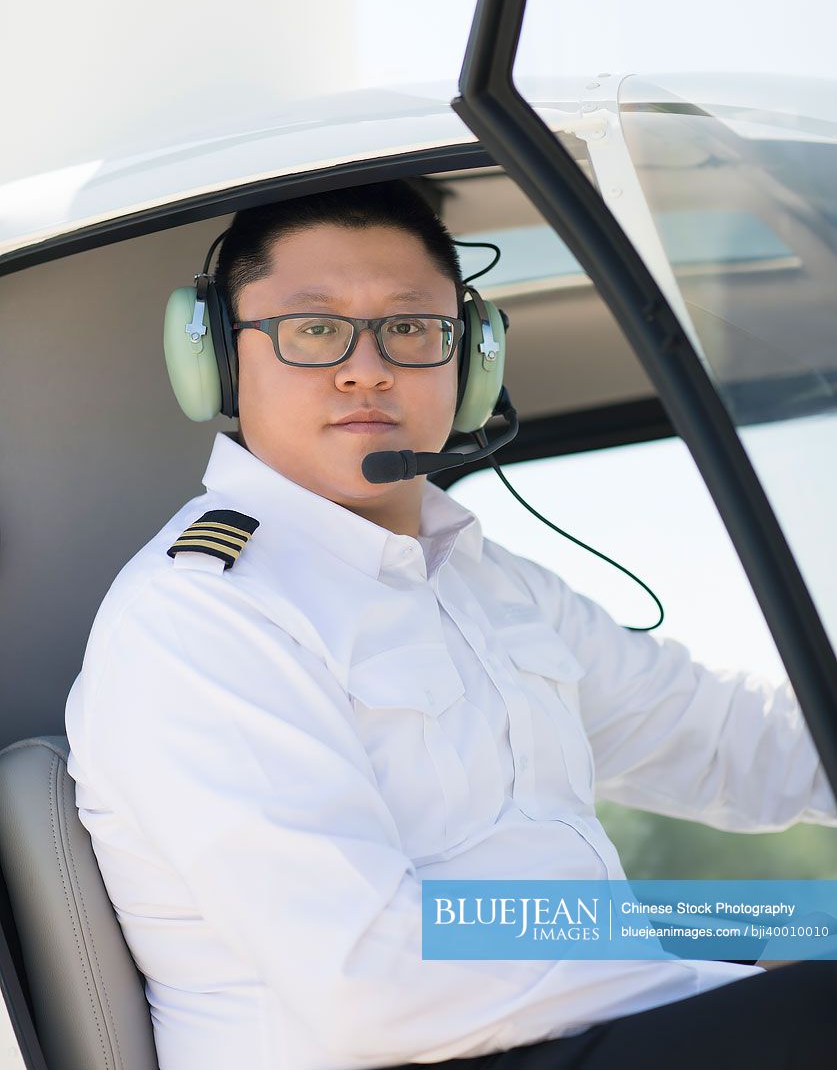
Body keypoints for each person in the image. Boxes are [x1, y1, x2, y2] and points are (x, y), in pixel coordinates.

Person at [64, 181, 837, 1070]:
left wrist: (788, 922)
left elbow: (727, 742)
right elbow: (375, 982)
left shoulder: (485, 582)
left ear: (469, 360)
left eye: (411, 327)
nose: (368, 367)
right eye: (312, 328)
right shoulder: (201, 617)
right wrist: (735, 970)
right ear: (218, 362)